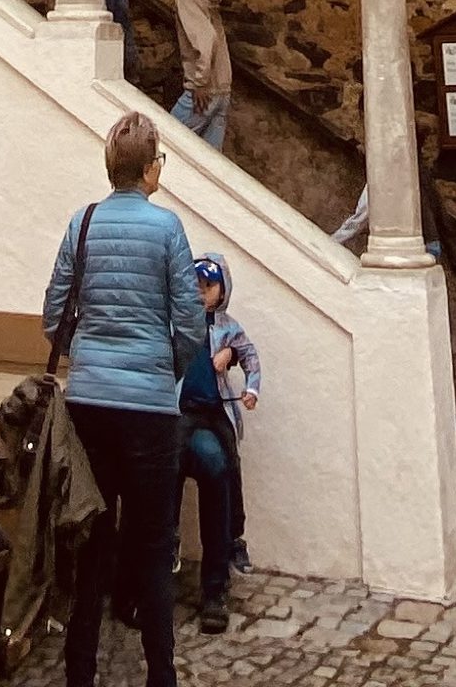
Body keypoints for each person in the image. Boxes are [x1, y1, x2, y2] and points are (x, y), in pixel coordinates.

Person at [44, 112, 206, 687]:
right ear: (147, 167)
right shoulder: (167, 230)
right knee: (154, 545)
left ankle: (80, 675)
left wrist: (83, 356)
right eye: (159, 160)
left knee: (91, 542)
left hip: (89, 403)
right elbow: (189, 320)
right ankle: (161, 674)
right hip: (148, 410)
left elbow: (54, 314)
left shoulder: (81, 223)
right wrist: (168, 370)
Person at [177, 253, 261, 630]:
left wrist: (242, 373)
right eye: (194, 285)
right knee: (160, 471)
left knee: (224, 464)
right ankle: (157, 563)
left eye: (207, 287)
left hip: (214, 413)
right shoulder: (174, 321)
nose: (200, 293)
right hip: (176, 414)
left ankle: (226, 554)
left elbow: (250, 357)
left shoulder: (226, 328)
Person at [167, 0, 234, 152]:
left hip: (204, 91)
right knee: (211, 163)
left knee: (165, 144)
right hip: (223, 89)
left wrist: (200, 82)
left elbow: (206, 38)